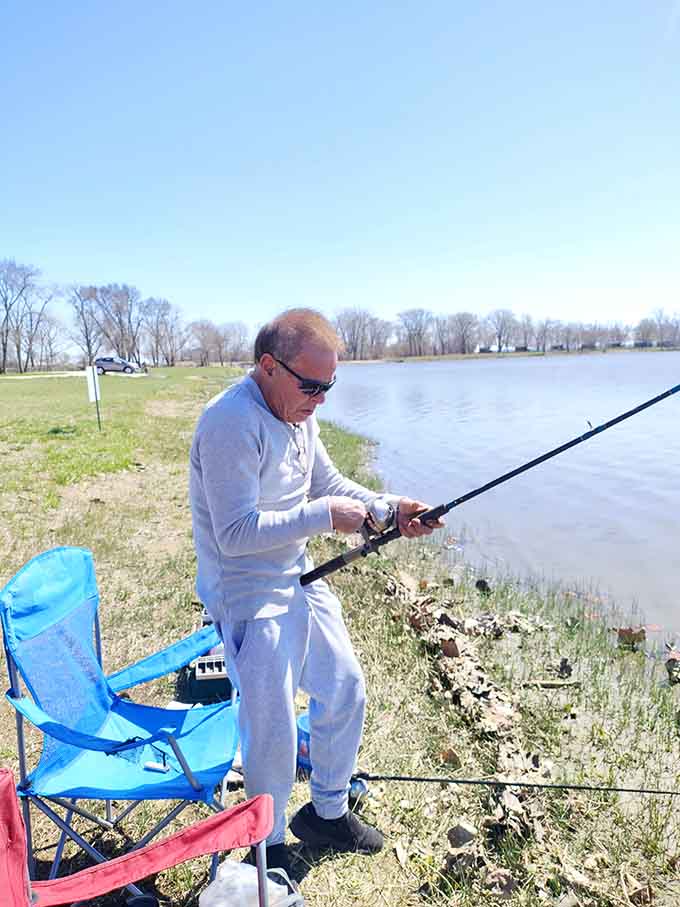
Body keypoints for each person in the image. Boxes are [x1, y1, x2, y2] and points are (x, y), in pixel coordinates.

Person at [189, 308, 441, 873]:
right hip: (247, 594)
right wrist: (325, 516)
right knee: (273, 726)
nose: (320, 399)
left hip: (297, 577)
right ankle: (266, 843)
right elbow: (233, 535)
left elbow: (328, 484)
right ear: (268, 366)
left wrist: (387, 508)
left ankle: (326, 813)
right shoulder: (231, 423)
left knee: (346, 685)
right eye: (311, 385)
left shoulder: (300, 413)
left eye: (329, 386)